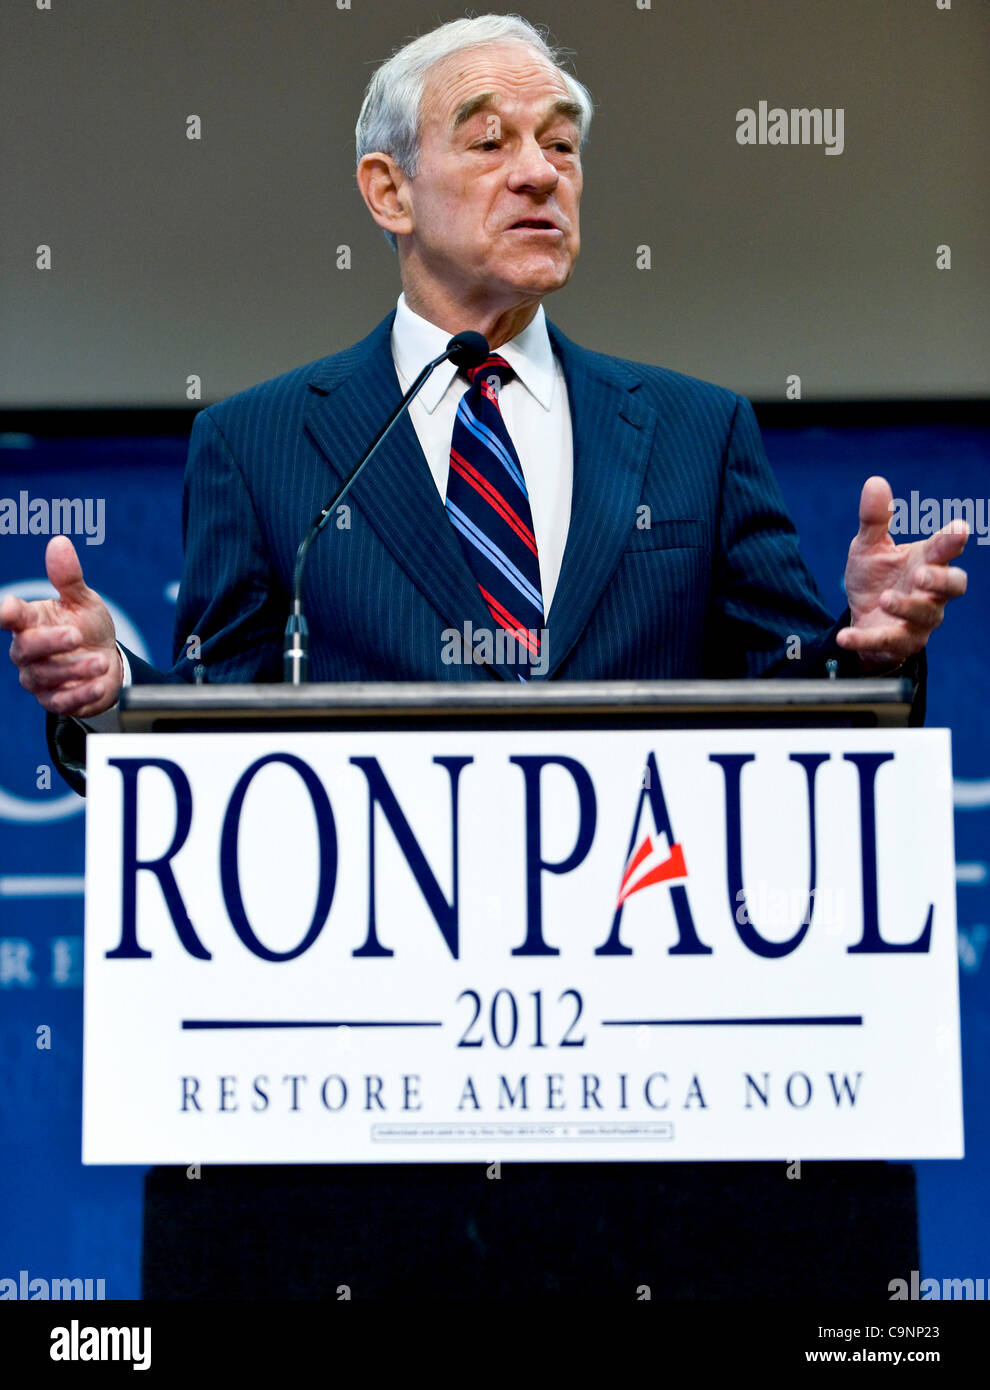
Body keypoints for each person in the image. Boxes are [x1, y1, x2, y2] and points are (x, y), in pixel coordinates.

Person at [0, 14, 970, 1296]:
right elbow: (216, 736)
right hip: (365, 1135)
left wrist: (865, 645)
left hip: (663, 1132)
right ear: (387, 190)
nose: (541, 172)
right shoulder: (265, 443)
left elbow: (797, 707)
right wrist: (113, 701)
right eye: (494, 139)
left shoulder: (692, 433)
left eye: (563, 146)